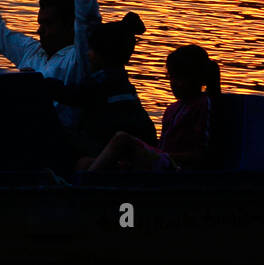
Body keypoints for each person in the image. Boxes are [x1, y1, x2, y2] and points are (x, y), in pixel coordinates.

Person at [87, 44, 220, 172]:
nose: (174, 83)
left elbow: (203, 154)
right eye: (172, 77)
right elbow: (162, 145)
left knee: (122, 139)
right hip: (164, 160)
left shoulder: (204, 105)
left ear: (199, 78)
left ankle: (84, 186)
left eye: (180, 78)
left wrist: (158, 155)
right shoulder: (172, 109)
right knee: (84, 162)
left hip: (179, 167)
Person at [45, 13, 157, 161]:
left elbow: (74, 95)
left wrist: (44, 83)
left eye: (91, 50)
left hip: (109, 143)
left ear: (104, 53)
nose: (88, 54)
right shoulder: (120, 78)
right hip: (135, 138)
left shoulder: (103, 79)